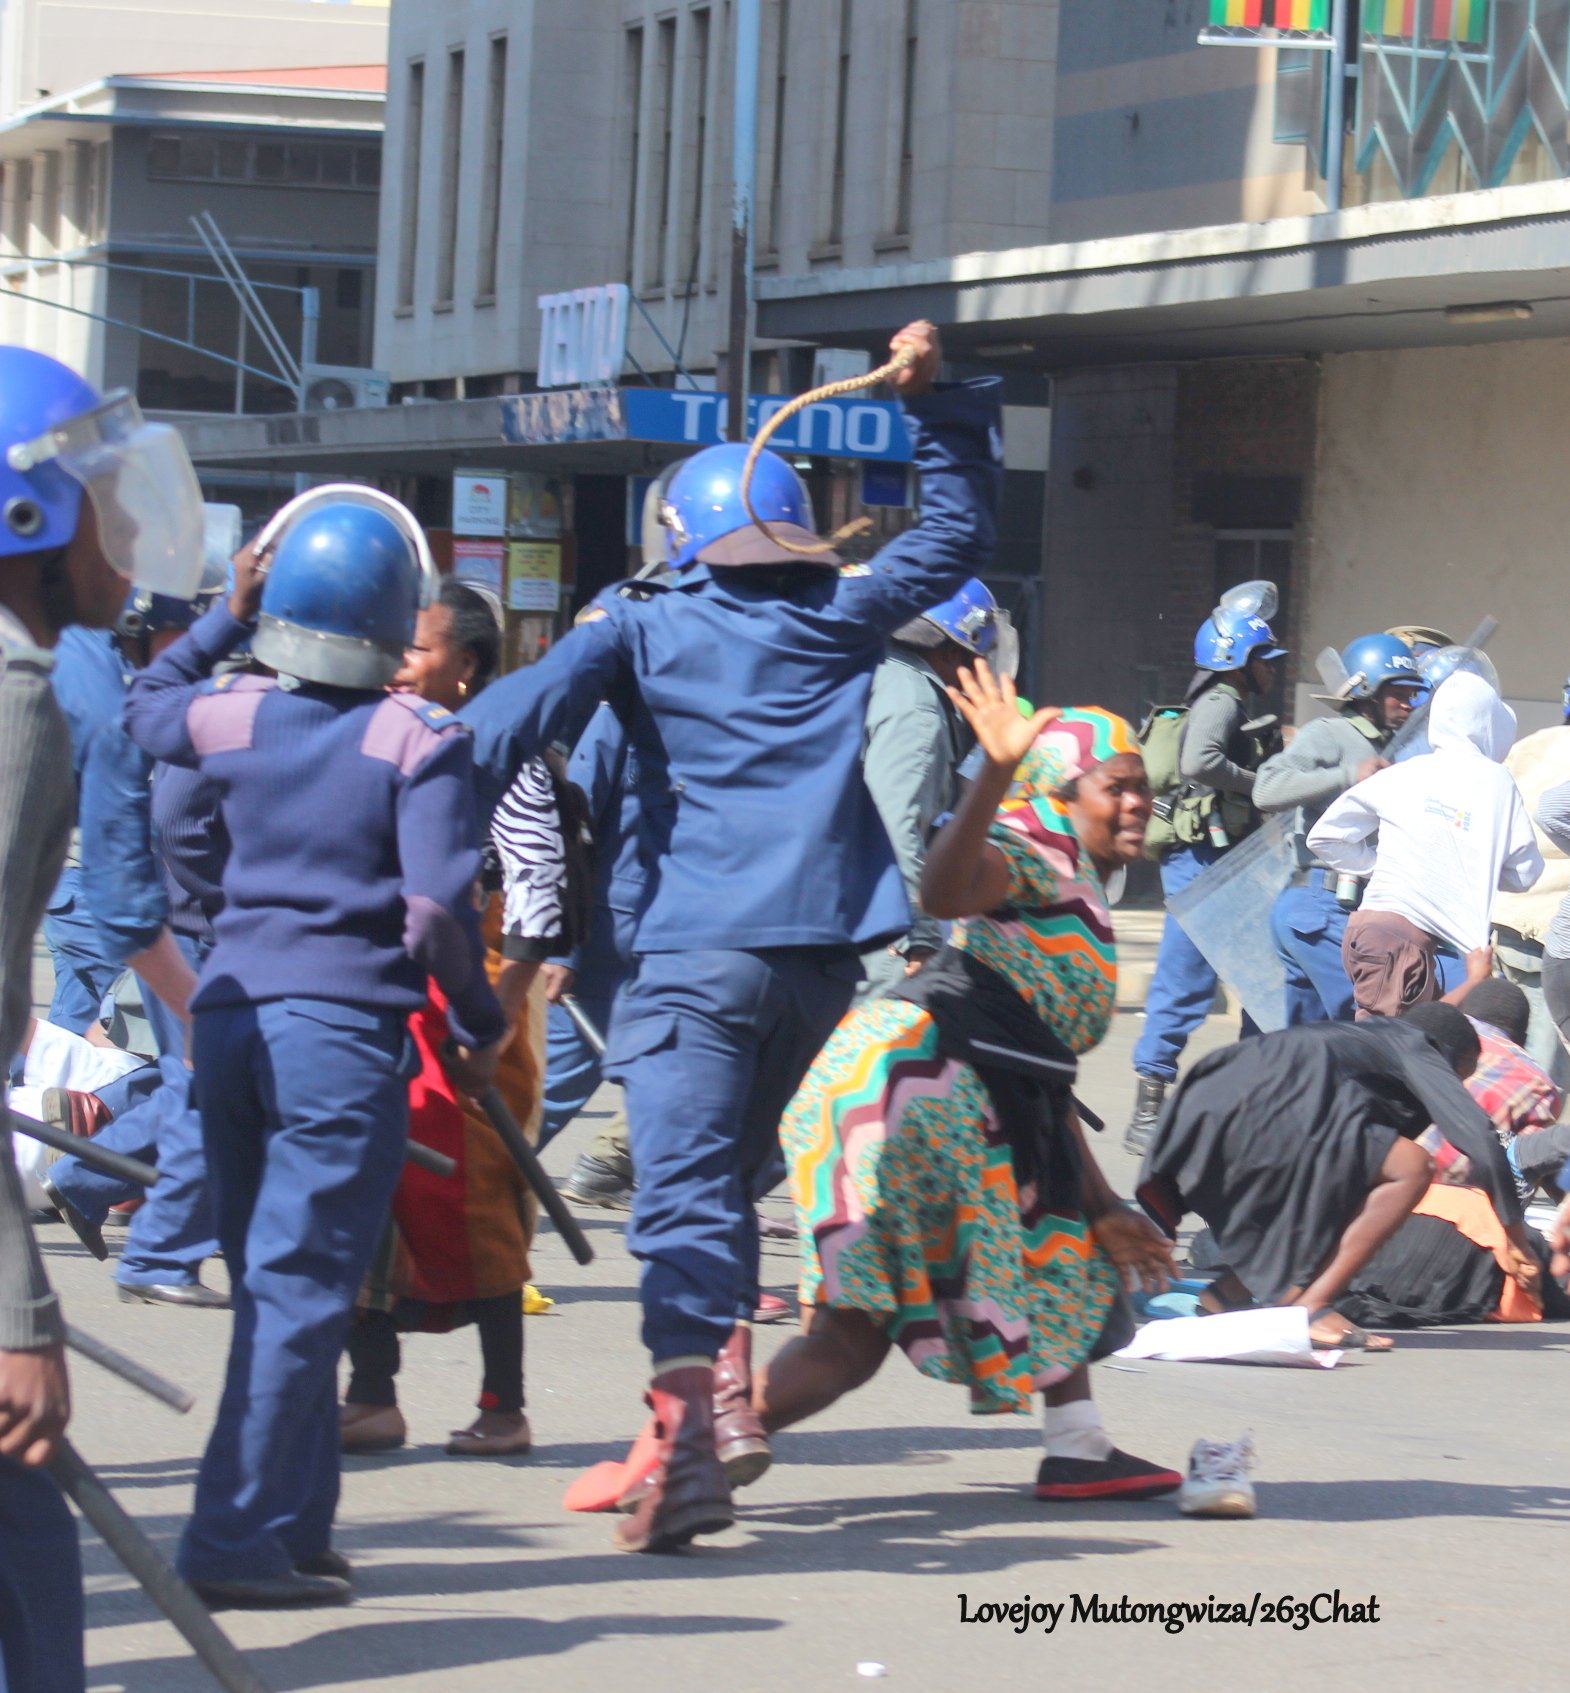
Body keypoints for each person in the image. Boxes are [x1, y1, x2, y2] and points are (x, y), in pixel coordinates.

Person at [459, 320, 999, 1553]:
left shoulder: (640, 624)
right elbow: (960, 535)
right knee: (719, 1190)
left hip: (693, 959)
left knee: (686, 1206)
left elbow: (499, 733)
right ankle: (684, 1435)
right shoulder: (841, 615)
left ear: (678, 542)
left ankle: (690, 1436)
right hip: (816, 970)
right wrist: (937, 405)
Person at [124, 497, 506, 1608]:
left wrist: (217, 619)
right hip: (337, 1036)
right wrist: (479, 1022)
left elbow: (148, 718)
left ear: (277, 606)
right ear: (399, 623)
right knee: (304, 1292)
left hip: (231, 1017)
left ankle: (296, 1520)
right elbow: (437, 912)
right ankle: (231, 1540)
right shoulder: (417, 741)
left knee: (272, 1288)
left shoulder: (231, 714)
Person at [761, 667, 1183, 1501]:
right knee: (855, 1329)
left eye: (1144, 788)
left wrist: (1104, 1203)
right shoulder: (1032, 846)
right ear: (1064, 793)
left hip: (960, 1093)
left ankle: (1078, 1443)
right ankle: (696, 1440)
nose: (1137, 803)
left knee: (1062, 1241)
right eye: (1118, 786)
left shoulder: (1077, 875)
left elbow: (1041, 1073)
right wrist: (992, 771)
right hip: (908, 1092)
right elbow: (946, 886)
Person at [0, 344, 204, 1693]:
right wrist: (19, 1314)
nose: (127, 532)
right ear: (30, 521)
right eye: (99, 498)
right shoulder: (21, 700)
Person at [342, 579, 552, 1460]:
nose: (397, 666)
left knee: (475, 1198)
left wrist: (494, 1021)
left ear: (464, 666)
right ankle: (373, 1392)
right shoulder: (369, 737)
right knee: (365, 1189)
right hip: (380, 985)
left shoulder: (511, 754)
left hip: (481, 985)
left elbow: (541, 899)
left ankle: (503, 1402)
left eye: (416, 649)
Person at [1137, 1003, 1537, 1350]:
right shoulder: (1420, 1047)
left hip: (1199, 1112)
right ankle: (1309, 1307)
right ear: (1451, 1055)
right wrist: (1515, 1240)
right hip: (1263, 1120)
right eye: (1459, 1077)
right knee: (1411, 1168)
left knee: (1355, 1177)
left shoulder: (1362, 1038)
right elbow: (1481, 1140)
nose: (1455, 1086)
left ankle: (1227, 1294)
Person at [41, 587, 225, 1307]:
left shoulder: (159, 693)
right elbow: (175, 828)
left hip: (153, 914)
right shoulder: (163, 706)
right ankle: (159, 1252)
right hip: (172, 920)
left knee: (189, 1079)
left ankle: (89, 1171)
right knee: (208, 1085)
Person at [1124, 593, 1285, 1152]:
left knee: (1261, 978)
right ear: (1237, 658)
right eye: (1263, 657)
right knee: (1186, 974)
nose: (1271, 667)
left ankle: (1243, 1104)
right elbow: (1198, 763)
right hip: (1202, 858)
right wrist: (1258, 783)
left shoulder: (1230, 698)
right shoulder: (1221, 698)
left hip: (1223, 857)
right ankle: (1149, 1106)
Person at [1309, 671, 1542, 1018]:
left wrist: (1384, 868)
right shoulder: (1495, 780)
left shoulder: (1404, 772)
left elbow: (1325, 837)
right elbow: (1525, 873)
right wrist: (1476, 870)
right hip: (1405, 944)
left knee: (1416, 1049)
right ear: (1488, 724)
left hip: (1373, 930)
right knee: (1395, 1050)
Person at [1254, 633, 1423, 1025]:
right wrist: (1348, 773)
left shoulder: (1398, 745)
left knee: (1303, 1046)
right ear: (1367, 692)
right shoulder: (1329, 734)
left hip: (1355, 905)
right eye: (1398, 692)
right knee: (1370, 1017)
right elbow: (1267, 789)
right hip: (1323, 900)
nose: (1408, 703)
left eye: (1412, 693)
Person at [856, 577, 991, 998]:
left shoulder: (874, 672)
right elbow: (897, 828)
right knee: (878, 1049)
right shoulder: (916, 707)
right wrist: (921, 934)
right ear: (951, 650)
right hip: (876, 917)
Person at [1493, 691, 1570, 1088]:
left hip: (1504, 917)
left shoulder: (1532, 744)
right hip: (1552, 934)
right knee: (1543, 1078)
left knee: (1497, 1061)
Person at [1455, 977, 1570, 1202]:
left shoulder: (1431, 1036)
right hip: (1467, 1205)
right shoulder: (1536, 1084)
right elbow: (1536, 1159)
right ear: (1523, 1040)